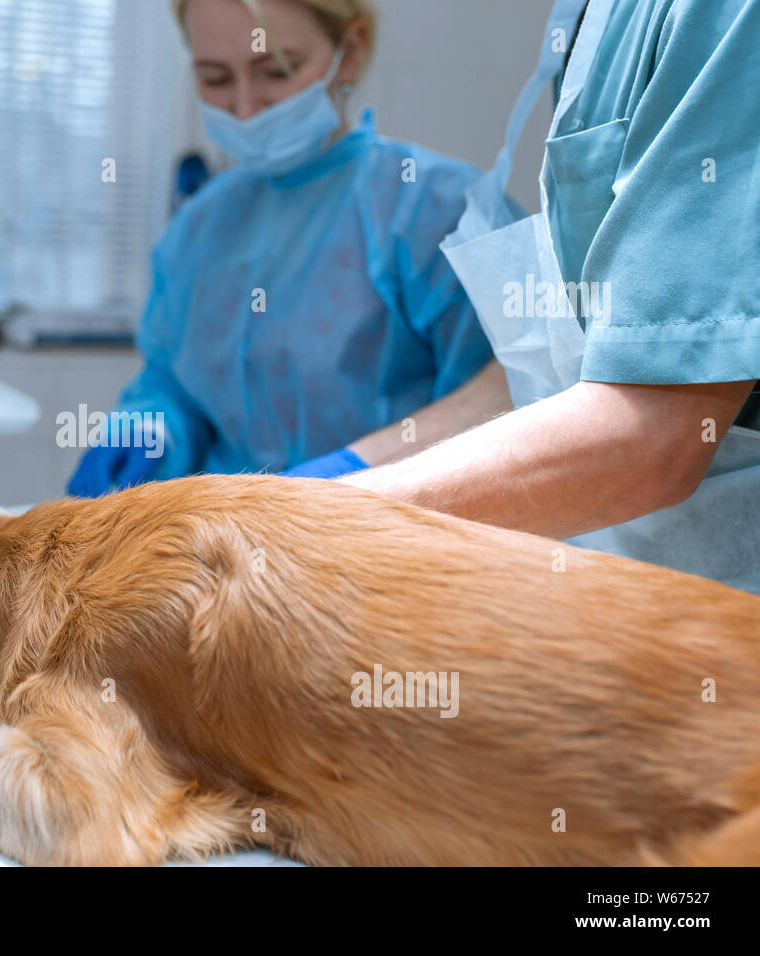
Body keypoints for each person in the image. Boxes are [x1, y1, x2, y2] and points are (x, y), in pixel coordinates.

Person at [293, 0, 760, 594]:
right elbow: (552, 376)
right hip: (618, 576)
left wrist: (313, 519)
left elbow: (657, 429)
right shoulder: (592, 21)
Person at [67, 0, 502, 496]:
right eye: (215, 79)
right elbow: (175, 381)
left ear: (351, 50)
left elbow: (505, 411)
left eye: (276, 71)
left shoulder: (439, 213)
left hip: (390, 546)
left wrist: (355, 477)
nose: (247, 109)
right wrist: (152, 429)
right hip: (220, 545)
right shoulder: (198, 227)